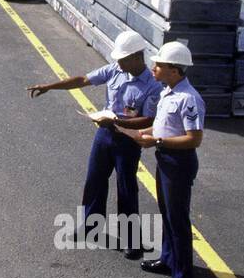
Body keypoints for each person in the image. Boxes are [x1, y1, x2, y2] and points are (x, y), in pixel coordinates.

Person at [28, 30, 160, 258]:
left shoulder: (152, 86)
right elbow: (83, 80)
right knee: (94, 180)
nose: (118, 62)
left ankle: (131, 240)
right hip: (104, 135)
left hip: (127, 140)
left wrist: (117, 121)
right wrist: (50, 86)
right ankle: (91, 226)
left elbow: (149, 119)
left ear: (138, 57)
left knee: (126, 187)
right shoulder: (114, 71)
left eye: (123, 58)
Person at [116, 41, 205, 278]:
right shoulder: (168, 92)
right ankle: (168, 259)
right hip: (166, 159)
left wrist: (156, 141)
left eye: (159, 65)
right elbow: (164, 126)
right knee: (166, 214)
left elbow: (193, 138)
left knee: (178, 222)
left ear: (174, 70)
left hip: (179, 163)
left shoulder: (189, 100)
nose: (153, 68)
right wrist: (143, 132)